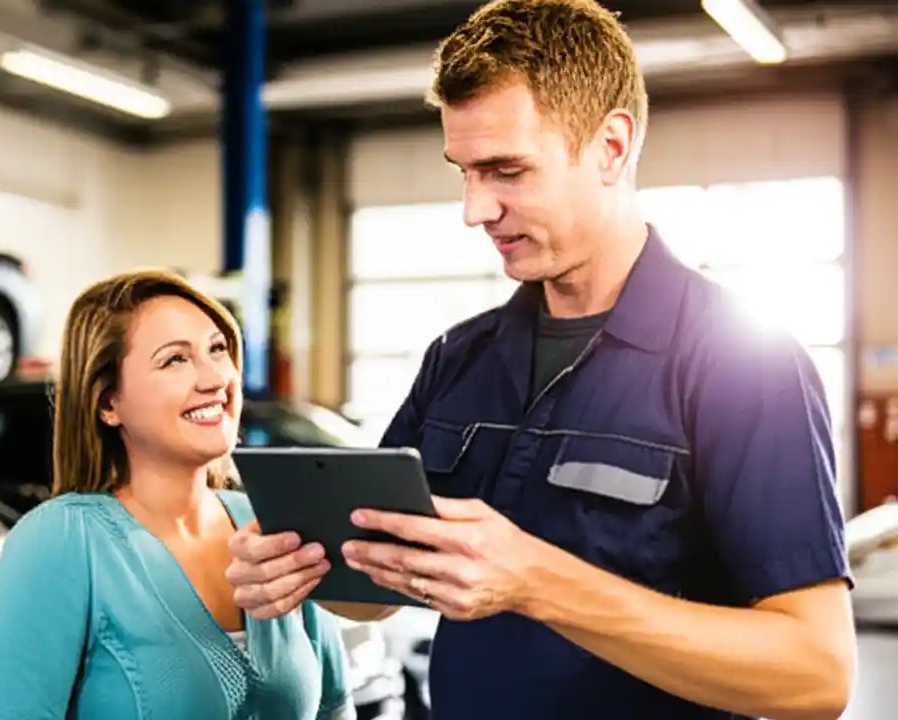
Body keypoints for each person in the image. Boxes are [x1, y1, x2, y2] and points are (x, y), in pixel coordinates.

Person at [225, 1, 857, 719]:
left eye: (506, 171)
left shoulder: (743, 362)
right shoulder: (459, 359)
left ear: (612, 147)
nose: (474, 209)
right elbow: (377, 588)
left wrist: (540, 584)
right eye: (463, 171)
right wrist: (296, 568)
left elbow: (816, 675)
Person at [0, 269, 355, 719]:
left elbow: (335, 710)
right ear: (108, 403)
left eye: (217, 349)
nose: (213, 378)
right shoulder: (62, 541)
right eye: (175, 360)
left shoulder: (277, 524)